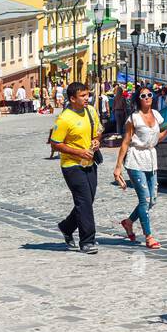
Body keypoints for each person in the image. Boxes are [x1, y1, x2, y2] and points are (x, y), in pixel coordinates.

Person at [113, 86, 167, 250]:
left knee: (152, 200)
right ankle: (149, 236)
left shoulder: (157, 115)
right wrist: (118, 166)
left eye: (149, 95)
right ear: (138, 99)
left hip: (151, 159)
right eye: (143, 95)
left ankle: (128, 222)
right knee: (145, 199)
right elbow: (126, 141)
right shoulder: (134, 118)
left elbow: (156, 138)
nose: (147, 97)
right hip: (135, 159)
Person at [50, 83, 103, 254]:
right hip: (72, 165)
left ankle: (66, 227)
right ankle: (87, 241)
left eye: (87, 95)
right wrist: (78, 152)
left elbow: (98, 131)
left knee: (87, 200)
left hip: (89, 162)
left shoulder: (91, 111)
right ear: (72, 99)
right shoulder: (64, 119)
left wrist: (96, 140)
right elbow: (55, 144)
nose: (87, 98)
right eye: (83, 96)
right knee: (84, 201)